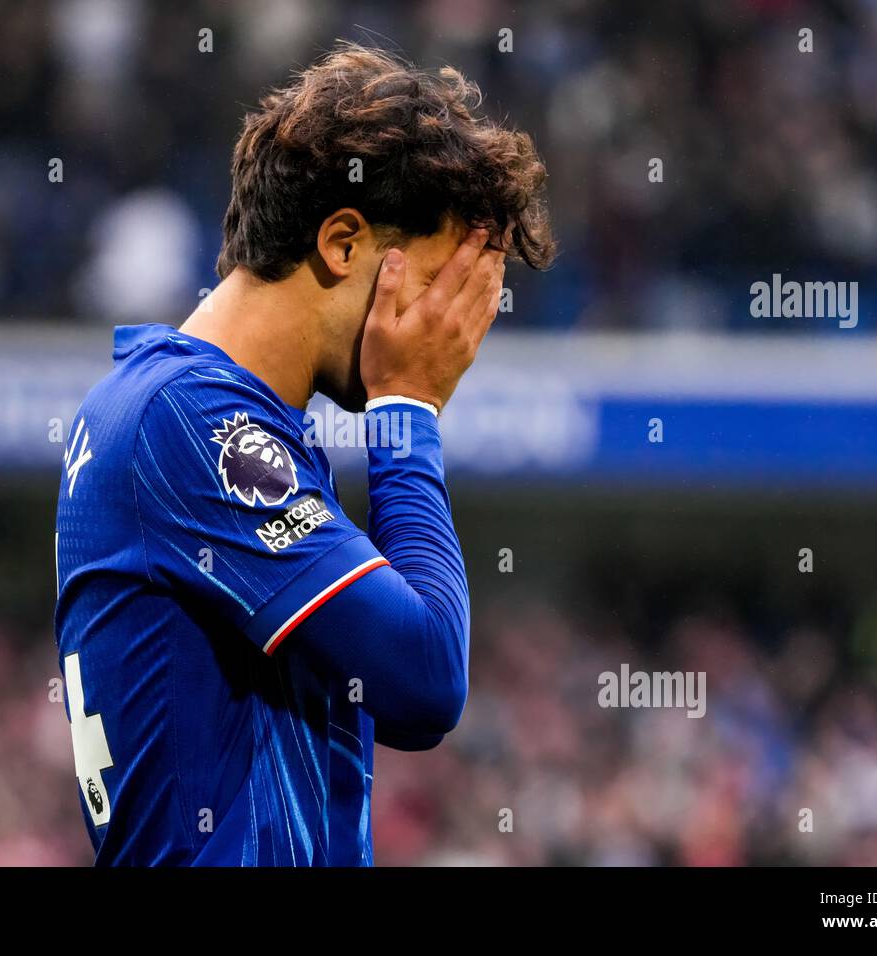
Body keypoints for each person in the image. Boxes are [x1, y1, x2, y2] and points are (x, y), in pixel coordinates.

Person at [54, 42, 553, 865]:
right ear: (344, 242)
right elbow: (424, 680)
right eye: (437, 285)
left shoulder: (201, 414)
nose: (451, 330)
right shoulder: (191, 419)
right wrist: (407, 411)